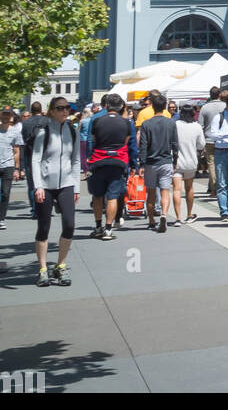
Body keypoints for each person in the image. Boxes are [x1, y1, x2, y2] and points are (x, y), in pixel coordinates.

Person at [32, 95, 80, 287]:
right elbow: (35, 159)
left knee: (69, 225)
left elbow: (76, 160)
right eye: (60, 108)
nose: (64, 111)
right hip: (45, 184)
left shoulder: (72, 131)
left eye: (67, 108)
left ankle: (60, 265)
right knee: (44, 227)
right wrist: (38, 185)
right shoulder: (44, 132)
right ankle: (43, 268)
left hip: (67, 183)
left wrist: (76, 186)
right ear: (51, 111)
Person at [87, 93, 138, 240]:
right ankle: (108, 228)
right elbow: (129, 144)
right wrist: (133, 163)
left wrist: (89, 160)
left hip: (99, 161)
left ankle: (98, 226)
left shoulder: (97, 121)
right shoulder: (126, 123)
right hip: (118, 161)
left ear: (106, 105)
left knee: (97, 195)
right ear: (122, 106)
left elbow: (92, 142)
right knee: (113, 196)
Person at [139, 94, 179, 232]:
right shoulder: (171, 123)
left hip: (150, 162)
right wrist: (175, 160)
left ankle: (151, 221)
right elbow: (175, 143)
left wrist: (141, 164)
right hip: (166, 160)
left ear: (153, 106)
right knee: (165, 192)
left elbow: (143, 146)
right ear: (165, 107)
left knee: (151, 193)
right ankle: (163, 215)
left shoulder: (146, 124)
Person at [172, 104, 205, 223]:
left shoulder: (175, 125)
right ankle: (189, 214)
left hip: (176, 161)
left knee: (176, 189)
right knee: (189, 188)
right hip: (191, 161)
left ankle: (177, 218)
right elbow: (201, 145)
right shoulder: (197, 127)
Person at [20, 101, 48, 218]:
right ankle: (45, 208)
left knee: (31, 184)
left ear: (31, 110)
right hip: (44, 155)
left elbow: (22, 140)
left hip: (29, 154)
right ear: (41, 110)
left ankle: (34, 209)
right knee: (45, 182)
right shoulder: (47, 121)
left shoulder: (26, 123)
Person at [198, 86, 226, 195]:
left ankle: (214, 187)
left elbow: (200, 125)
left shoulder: (205, 108)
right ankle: (218, 187)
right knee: (222, 164)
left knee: (212, 165)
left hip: (209, 139)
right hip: (223, 140)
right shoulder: (225, 106)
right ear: (219, 95)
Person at [0, 106, 23, 229]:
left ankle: (1, 218)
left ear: (11, 117)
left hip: (8, 166)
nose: (5, 117)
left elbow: (17, 151)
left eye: (8, 115)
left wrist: (17, 168)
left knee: (5, 193)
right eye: (3, 114)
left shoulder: (15, 132)